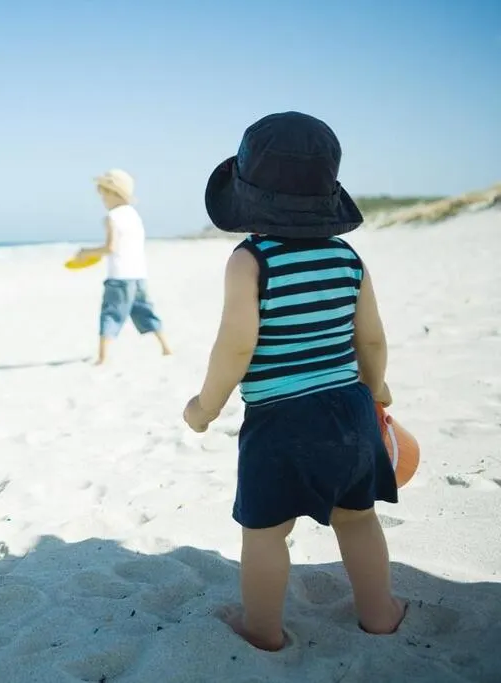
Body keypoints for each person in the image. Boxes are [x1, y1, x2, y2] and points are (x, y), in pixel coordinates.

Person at [182, 112, 406, 651]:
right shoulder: (347, 257)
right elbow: (371, 339)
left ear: (247, 198)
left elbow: (236, 346)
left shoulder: (251, 260)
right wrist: (377, 389)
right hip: (348, 410)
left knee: (265, 533)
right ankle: (379, 612)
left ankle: (261, 627)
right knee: (358, 520)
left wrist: (205, 406)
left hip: (280, 422)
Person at [76, 169, 173, 365]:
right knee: (146, 311)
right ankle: (166, 347)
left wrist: (85, 252)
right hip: (139, 274)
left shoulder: (112, 217)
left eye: (103, 194)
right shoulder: (134, 215)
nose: (102, 199)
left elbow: (110, 247)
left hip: (119, 276)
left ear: (113, 193)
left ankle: (102, 358)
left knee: (110, 313)